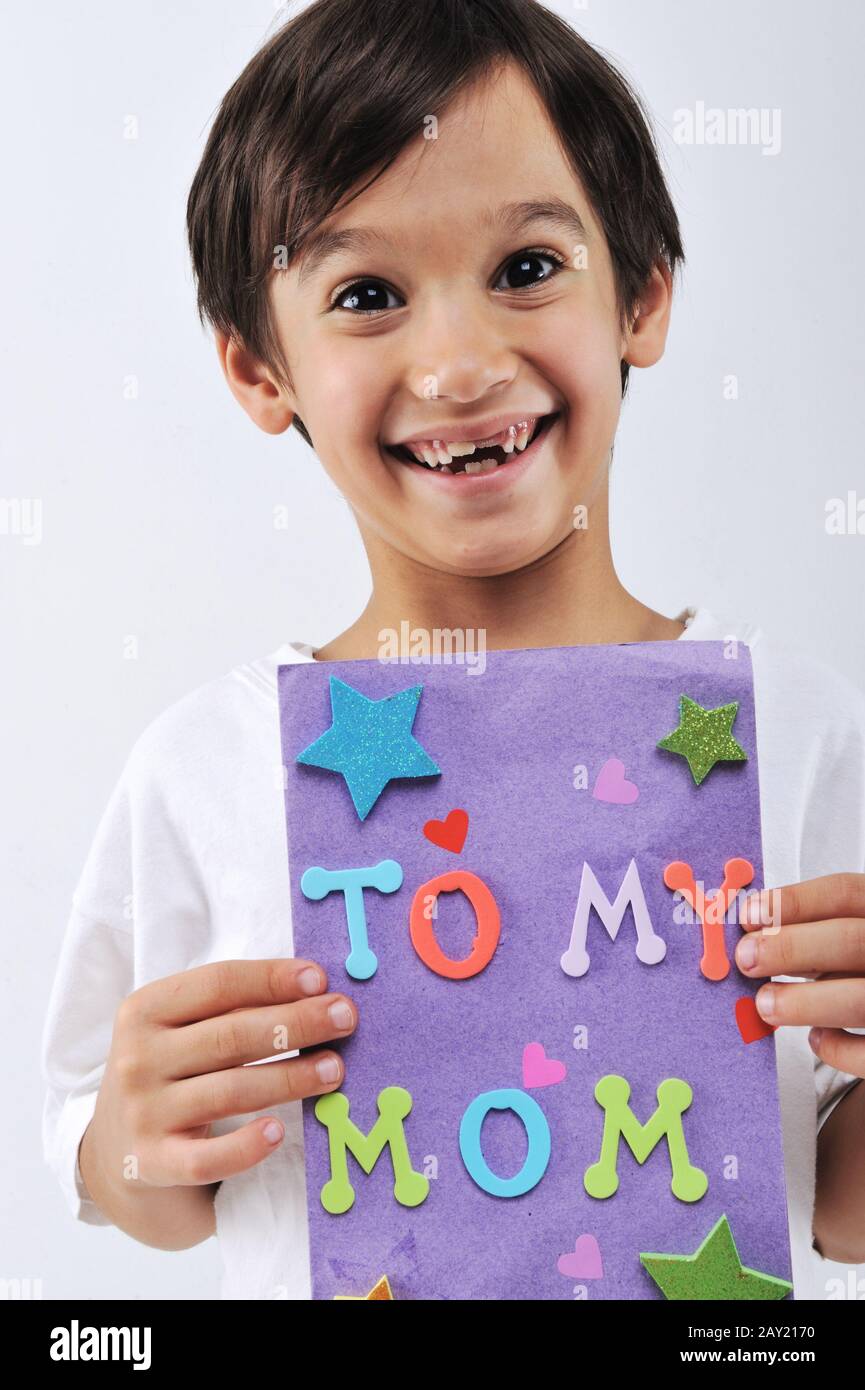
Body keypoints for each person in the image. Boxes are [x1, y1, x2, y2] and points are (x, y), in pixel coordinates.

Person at [42, 0, 865, 1299]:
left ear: (641, 292)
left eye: (527, 266)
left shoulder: (803, 729)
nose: (460, 362)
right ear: (261, 368)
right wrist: (122, 1151)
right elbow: (131, 1172)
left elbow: (835, 1202)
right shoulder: (208, 764)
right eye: (367, 293)